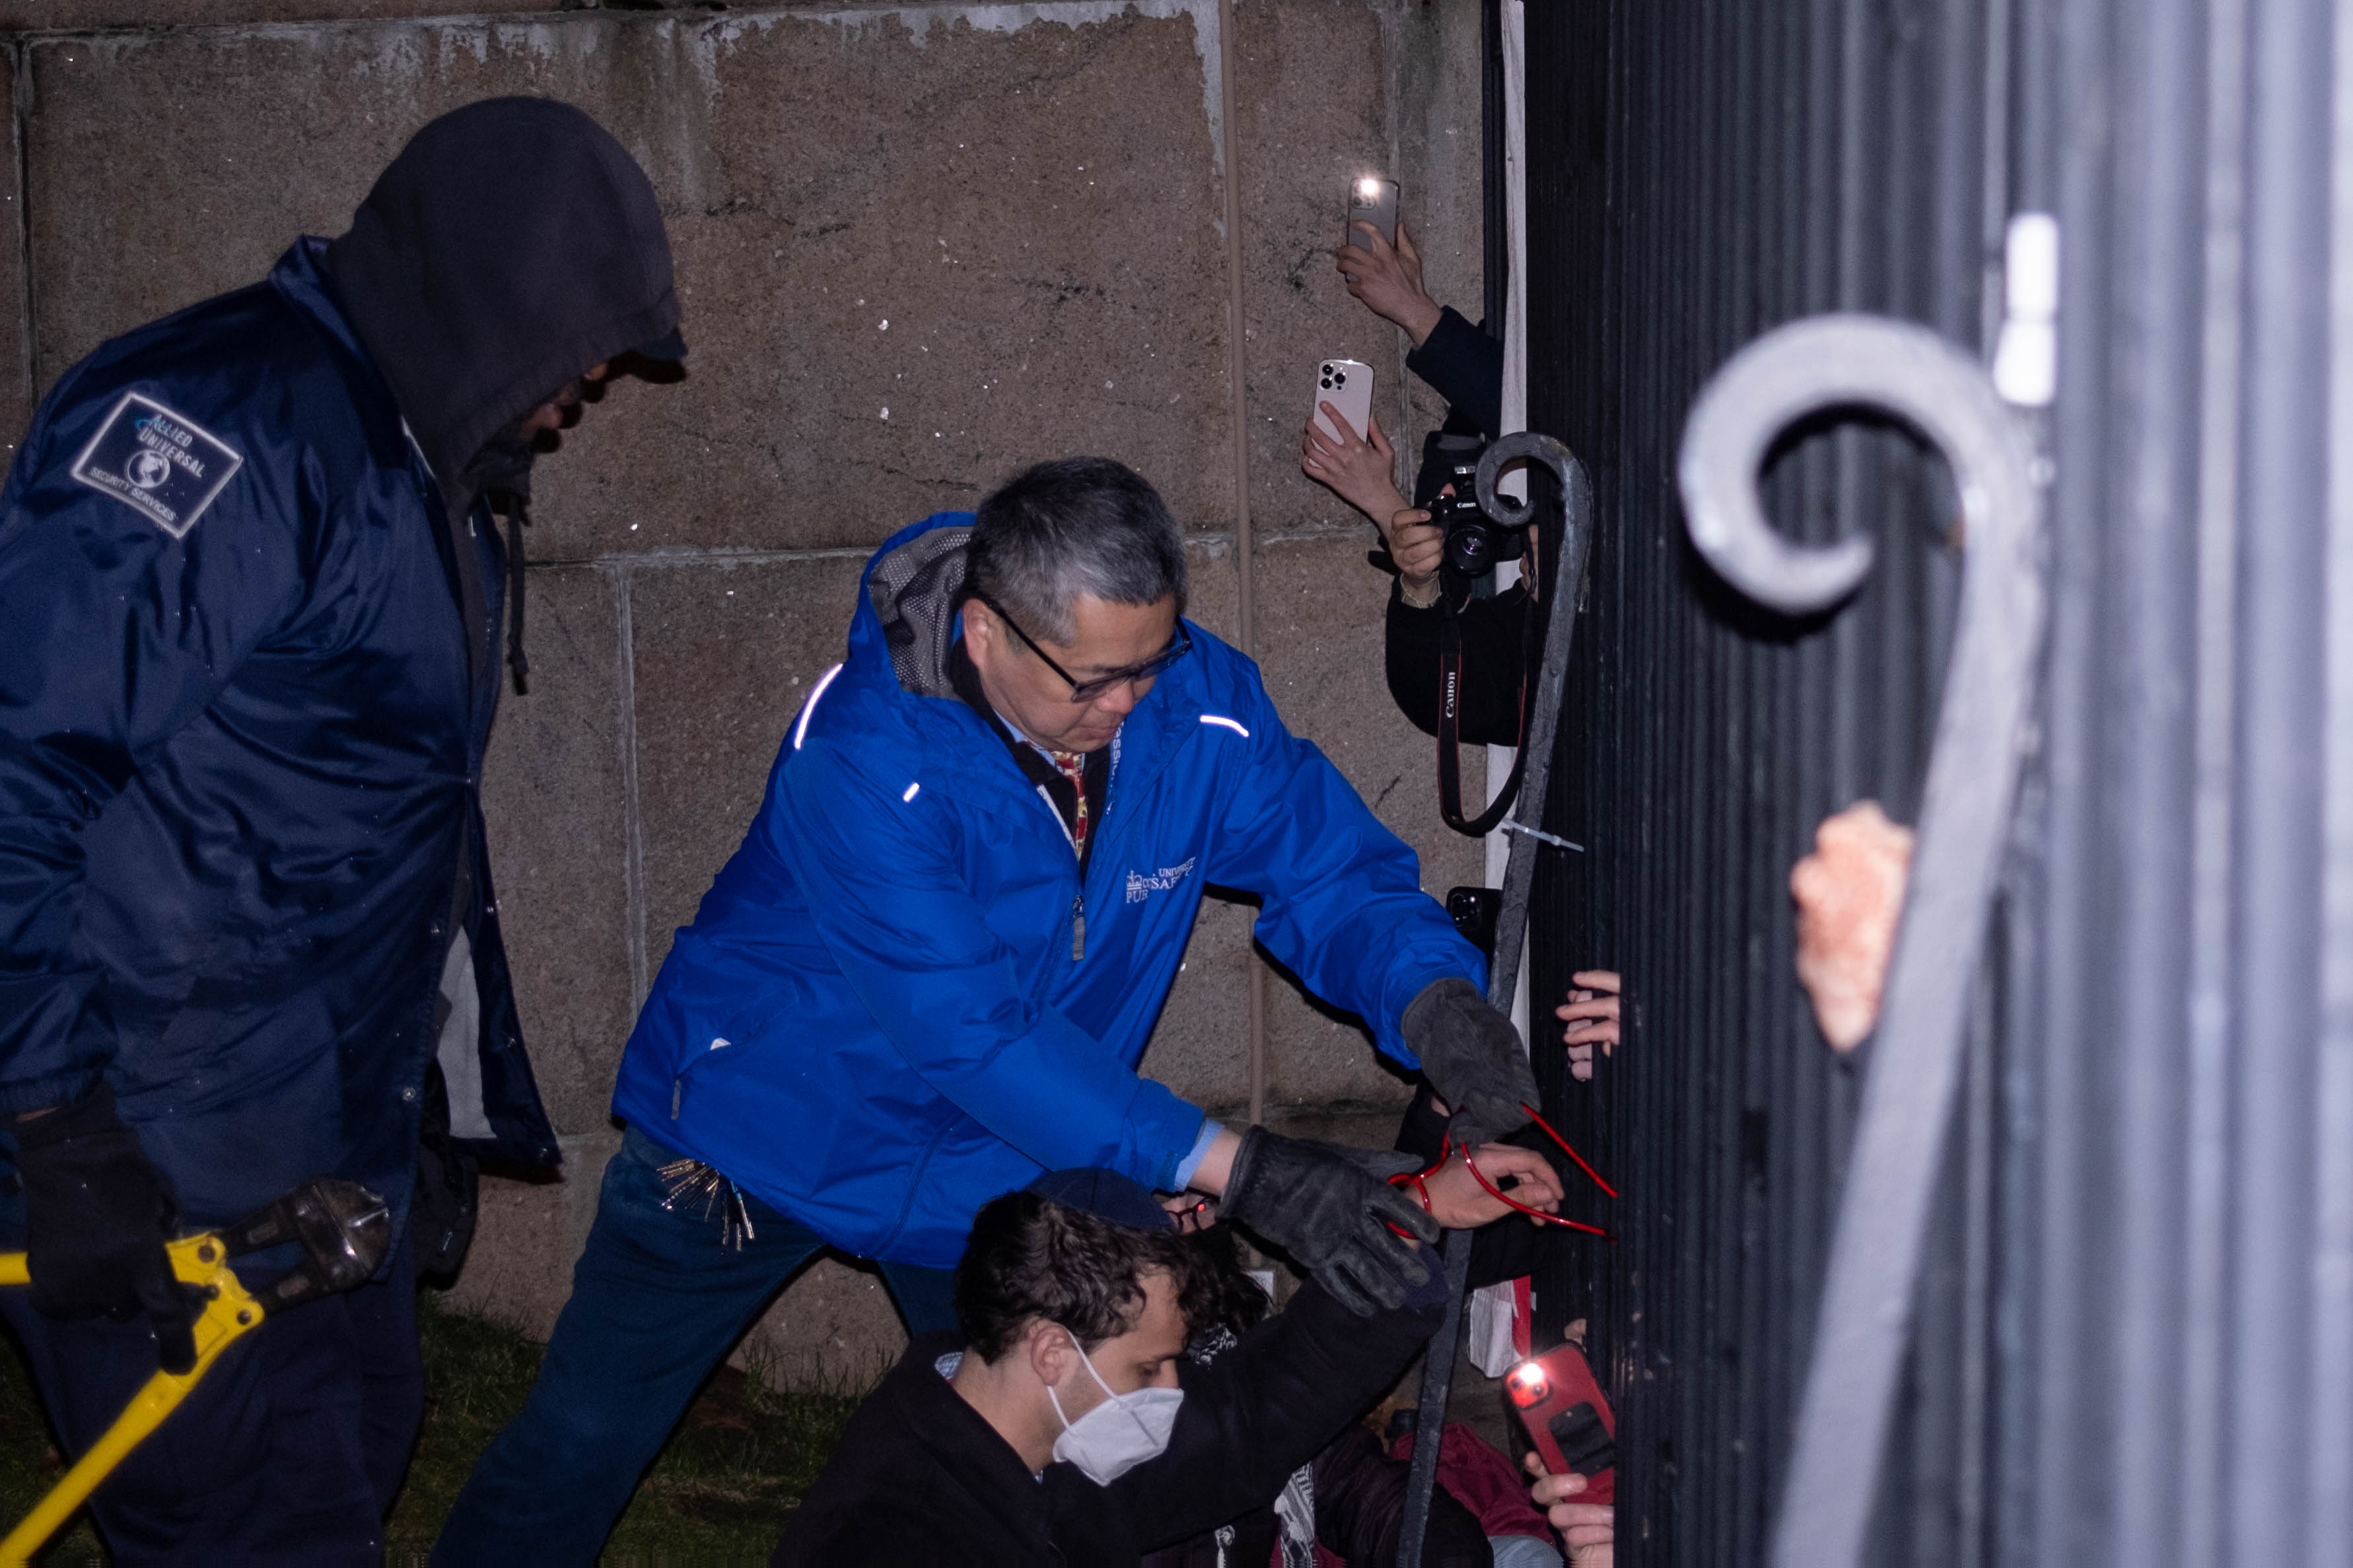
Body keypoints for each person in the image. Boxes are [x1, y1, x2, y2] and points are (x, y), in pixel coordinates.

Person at [433, 456, 1544, 1563]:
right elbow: (979, 1036)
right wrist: (1240, 1170)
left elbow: (1331, 875)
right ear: (982, 632)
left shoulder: (1192, 709)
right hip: (753, 1134)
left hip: (992, 1164)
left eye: (1150, 664)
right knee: (577, 1446)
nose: (1127, 707)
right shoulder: (864, 754)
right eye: (1092, 680)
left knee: (1079, 1468)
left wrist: (1433, 999)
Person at [0, 97, 685, 1561]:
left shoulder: (412, 453)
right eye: (577, 350)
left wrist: (424, 1100)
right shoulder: (227, 425)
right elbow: (12, 765)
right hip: (154, 1130)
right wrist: (55, 1120)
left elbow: (388, 813)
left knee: (356, 1447)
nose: (582, 392)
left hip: (315, 1133)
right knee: (256, 1521)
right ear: (491, 293)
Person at [772, 1169, 1459, 1566]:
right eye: (1150, 1366)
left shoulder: (1013, 1439)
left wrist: (1409, 1220)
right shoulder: (897, 1537)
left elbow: (1245, 1420)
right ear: (1050, 1351)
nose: (1173, 1386)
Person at [1302, 219, 1528, 747]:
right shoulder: (1541, 623)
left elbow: (1542, 429)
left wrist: (1385, 507)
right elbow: (1434, 690)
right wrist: (1415, 568)